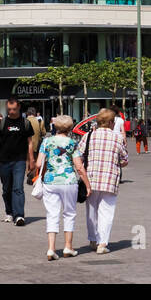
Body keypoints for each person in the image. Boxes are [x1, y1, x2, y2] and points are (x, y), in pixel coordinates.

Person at [35, 115, 92, 261]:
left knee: (52, 214)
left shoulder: (46, 141)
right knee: (69, 213)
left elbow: (39, 163)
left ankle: (51, 249)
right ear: (70, 128)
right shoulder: (72, 143)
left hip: (50, 181)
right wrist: (87, 185)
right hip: (68, 181)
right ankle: (68, 246)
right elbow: (79, 167)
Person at [79, 108, 130, 255]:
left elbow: (79, 156)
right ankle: (102, 243)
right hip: (109, 178)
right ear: (110, 122)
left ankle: (93, 239)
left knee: (91, 211)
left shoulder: (88, 136)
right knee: (106, 211)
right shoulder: (117, 138)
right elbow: (124, 160)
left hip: (91, 178)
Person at [0, 98, 35, 226]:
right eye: (9, 109)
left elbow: (30, 143)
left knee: (18, 188)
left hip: (20, 161)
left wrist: (31, 160)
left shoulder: (25, 123)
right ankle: (9, 212)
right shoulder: (2, 123)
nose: (11, 111)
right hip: (4, 161)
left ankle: (19, 215)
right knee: (6, 189)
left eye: (14, 109)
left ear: (19, 108)